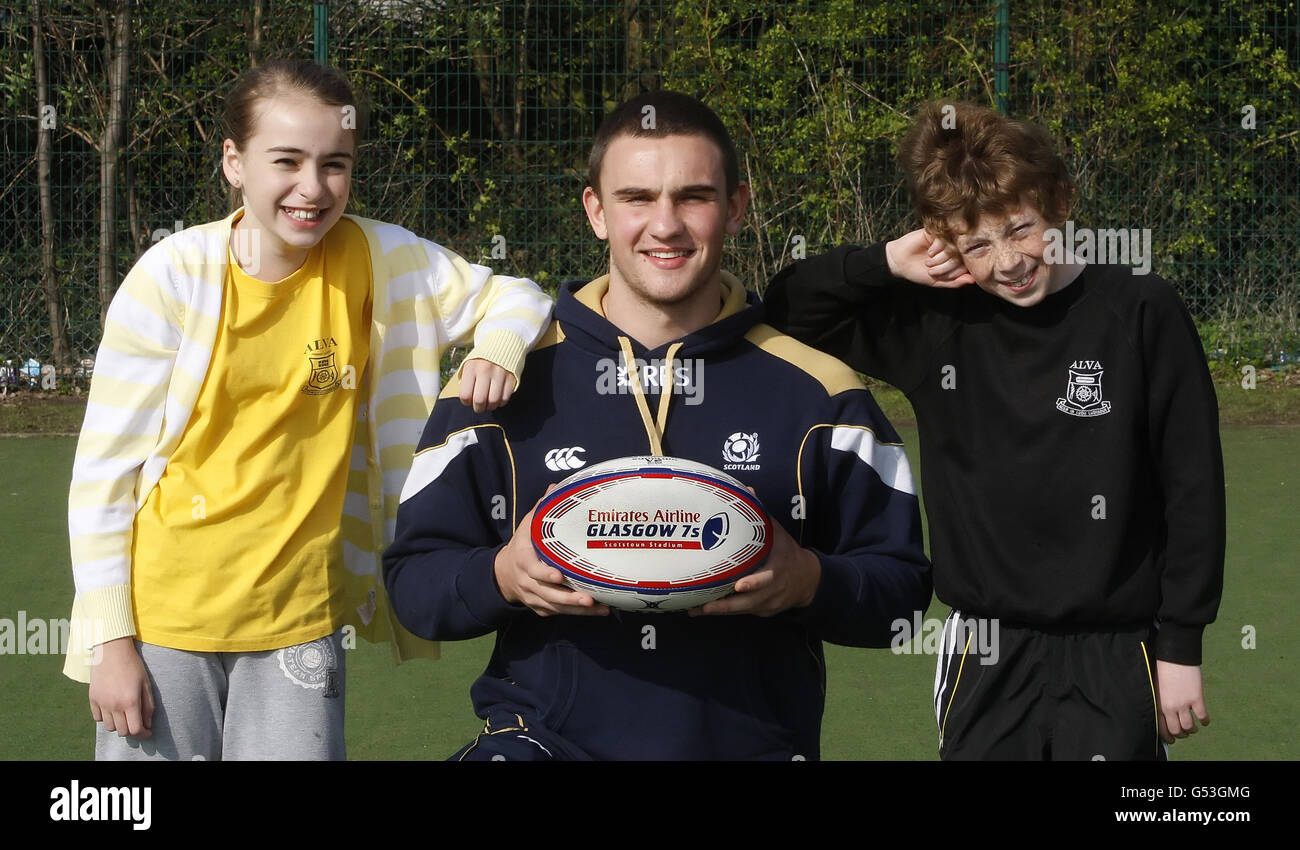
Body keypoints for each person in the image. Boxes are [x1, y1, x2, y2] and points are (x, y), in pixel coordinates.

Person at [383, 91, 931, 761]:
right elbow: (414, 583)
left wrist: (809, 579)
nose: (665, 226)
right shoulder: (501, 382)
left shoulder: (821, 391)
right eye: (637, 198)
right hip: (543, 745)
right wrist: (502, 574)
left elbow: (903, 598)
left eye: (693, 197)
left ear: (735, 206)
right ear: (596, 212)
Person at [62, 58, 554, 761]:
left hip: (299, 620)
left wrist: (499, 347)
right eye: (285, 161)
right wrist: (108, 642)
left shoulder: (380, 257)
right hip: (163, 620)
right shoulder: (170, 277)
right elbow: (104, 476)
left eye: (335, 164)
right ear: (234, 162)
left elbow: (516, 294)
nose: (313, 188)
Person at [764, 101, 1225, 760]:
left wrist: (1181, 643)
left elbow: (1194, 485)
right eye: (977, 244)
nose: (1007, 260)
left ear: (1059, 201)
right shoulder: (936, 324)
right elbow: (785, 309)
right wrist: (892, 261)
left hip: (1120, 649)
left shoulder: (1140, 309)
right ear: (945, 243)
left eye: (1021, 229)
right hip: (986, 651)